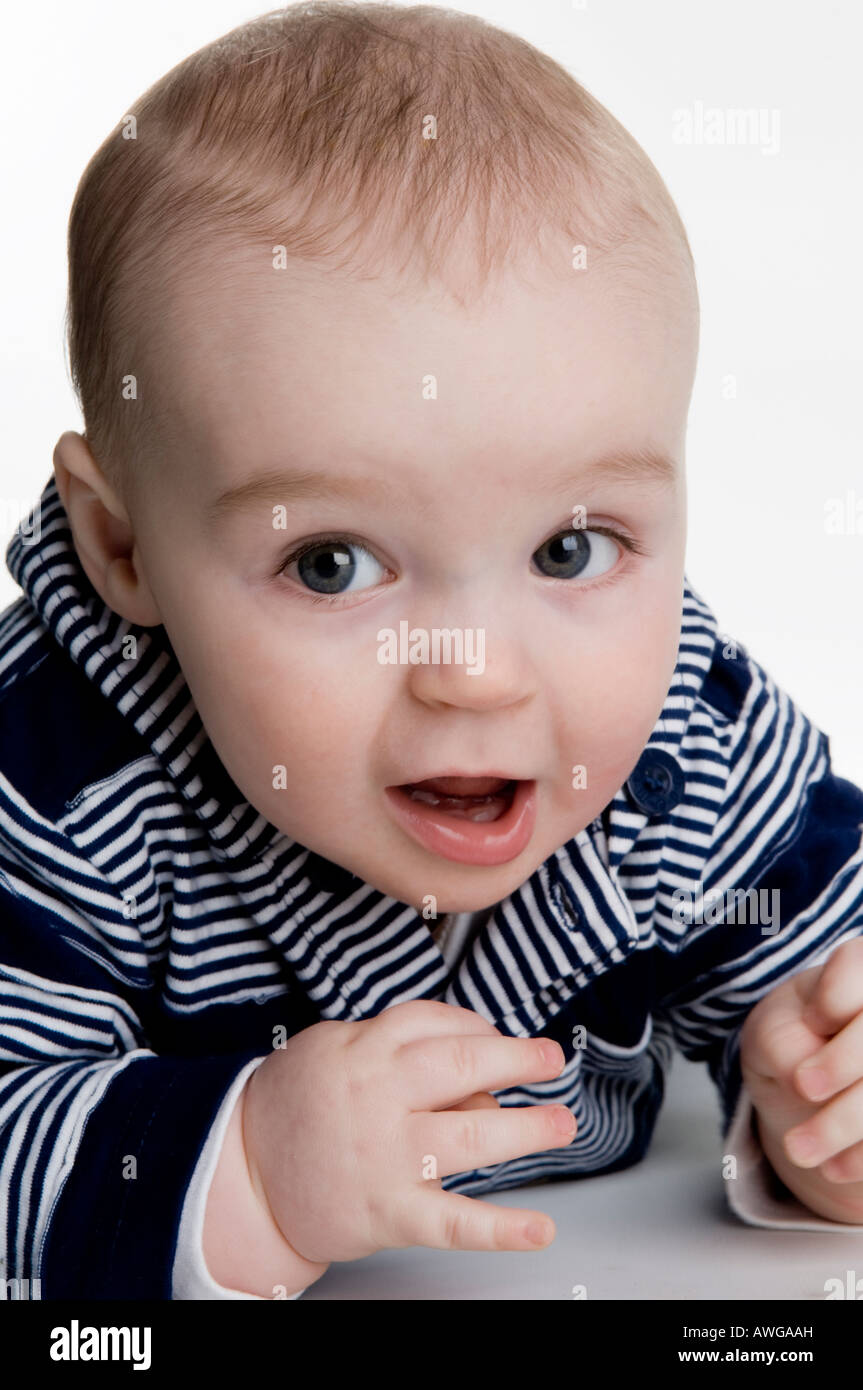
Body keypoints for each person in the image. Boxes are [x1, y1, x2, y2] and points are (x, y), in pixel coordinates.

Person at [2, 2, 862, 1301]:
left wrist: (825, 1104)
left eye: (570, 549)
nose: (478, 671)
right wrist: (249, 1163)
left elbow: (819, 967)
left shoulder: (685, 739)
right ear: (125, 547)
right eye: (333, 562)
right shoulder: (66, 784)